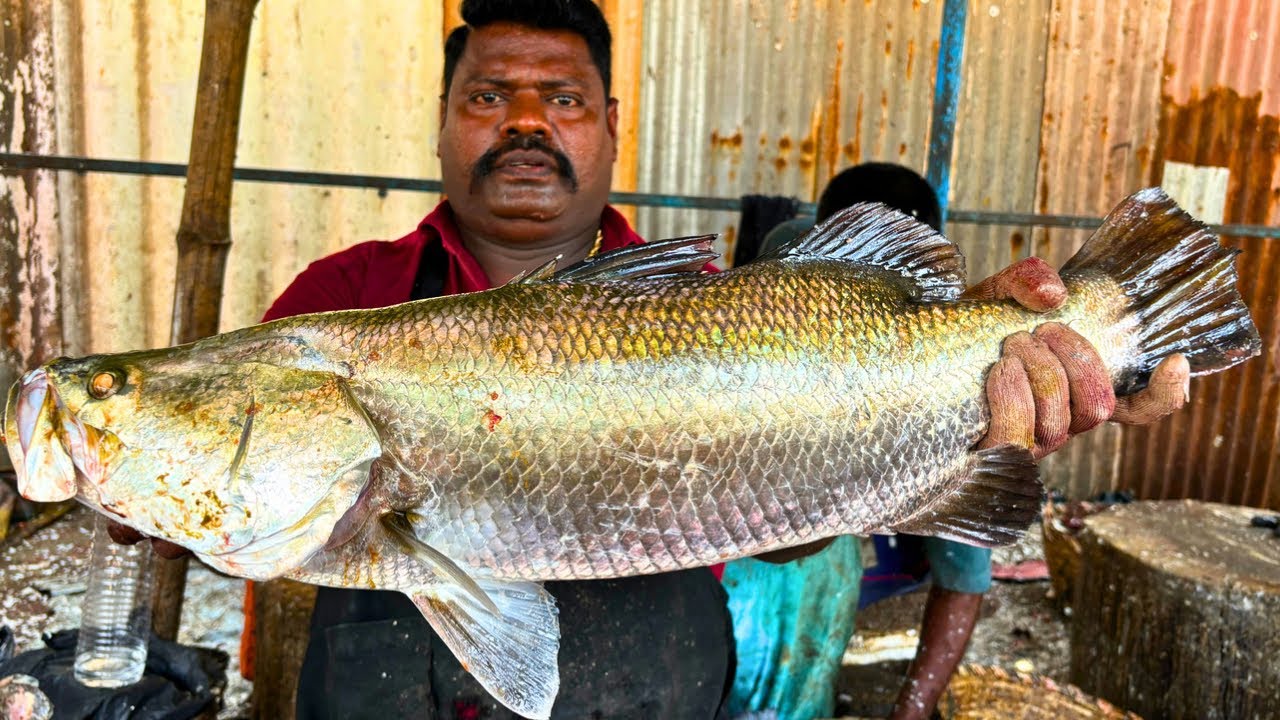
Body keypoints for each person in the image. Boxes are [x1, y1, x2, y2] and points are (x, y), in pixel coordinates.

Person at [111, 5, 1191, 718]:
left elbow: (793, 536)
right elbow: (217, 507)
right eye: (488, 95)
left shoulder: (718, 307)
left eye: (561, 97)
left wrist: (1052, 371)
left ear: (610, 124)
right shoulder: (333, 304)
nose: (525, 121)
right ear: (442, 121)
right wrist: (135, 479)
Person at [723, 162, 1191, 720]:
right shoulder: (772, 266)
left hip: (843, 574)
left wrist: (913, 709)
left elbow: (964, 577)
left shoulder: (961, 397)